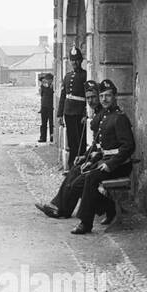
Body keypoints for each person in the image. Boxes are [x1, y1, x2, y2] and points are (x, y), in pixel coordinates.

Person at [71, 78, 135, 235]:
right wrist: (91, 160)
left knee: (91, 178)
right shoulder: (105, 117)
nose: (104, 99)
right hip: (106, 161)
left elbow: (129, 147)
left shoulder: (120, 118)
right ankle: (110, 208)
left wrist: (111, 164)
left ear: (115, 97)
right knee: (76, 184)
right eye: (102, 96)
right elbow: (103, 147)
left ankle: (85, 223)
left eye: (108, 95)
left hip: (120, 165)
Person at [35, 80, 101, 219]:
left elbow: (105, 145)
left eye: (94, 97)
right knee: (75, 168)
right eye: (88, 98)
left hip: (105, 162)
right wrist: (85, 156)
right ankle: (59, 207)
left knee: (77, 173)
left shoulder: (105, 115)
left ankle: (62, 208)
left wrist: (91, 158)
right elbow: (96, 144)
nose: (90, 101)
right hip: (99, 157)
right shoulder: (98, 112)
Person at [57, 46, 88, 166]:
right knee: (71, 140)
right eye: (72, 60)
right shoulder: (67, 76)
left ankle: (79, 164)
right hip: (68, 112)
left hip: (79, 112)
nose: (74, 62)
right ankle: (71, 164)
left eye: (76, 60)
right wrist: (60, 114)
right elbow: (63, 95)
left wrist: (85, 113)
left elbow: (88, 96)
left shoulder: (85, 75)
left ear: (81, 61)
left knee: (80, 139)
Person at [37, 72, 55, 143]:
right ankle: (43, 137)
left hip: (51, 107)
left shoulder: (53, 87)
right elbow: (41, 95)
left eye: (48, 80)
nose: (46, 81)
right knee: (43, 123)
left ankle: (52, 137)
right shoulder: (43, 86)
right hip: (44, 106)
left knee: (51, 123)